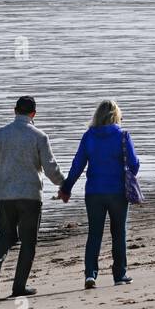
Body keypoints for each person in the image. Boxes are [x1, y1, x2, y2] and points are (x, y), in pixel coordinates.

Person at [0, 95, 66, 298]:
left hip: (5, 196)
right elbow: (51, 168)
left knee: (5, 235)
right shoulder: (39, 136)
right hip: (30, 197)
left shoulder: (0, 135)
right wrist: (64, 184)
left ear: (14, 110)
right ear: (34, 114)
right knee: (28, 242)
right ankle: (18, 286)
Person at [59, 98, 140, 289]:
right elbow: (134, 165)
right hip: (118, 193)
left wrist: (66, 188)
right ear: (115, 115)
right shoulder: (123, 135)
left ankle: (90, 275)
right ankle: (119, 275)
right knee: (118, 233)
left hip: (94, 192)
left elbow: (77, 165)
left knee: (94, 234)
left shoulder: (89, 136)